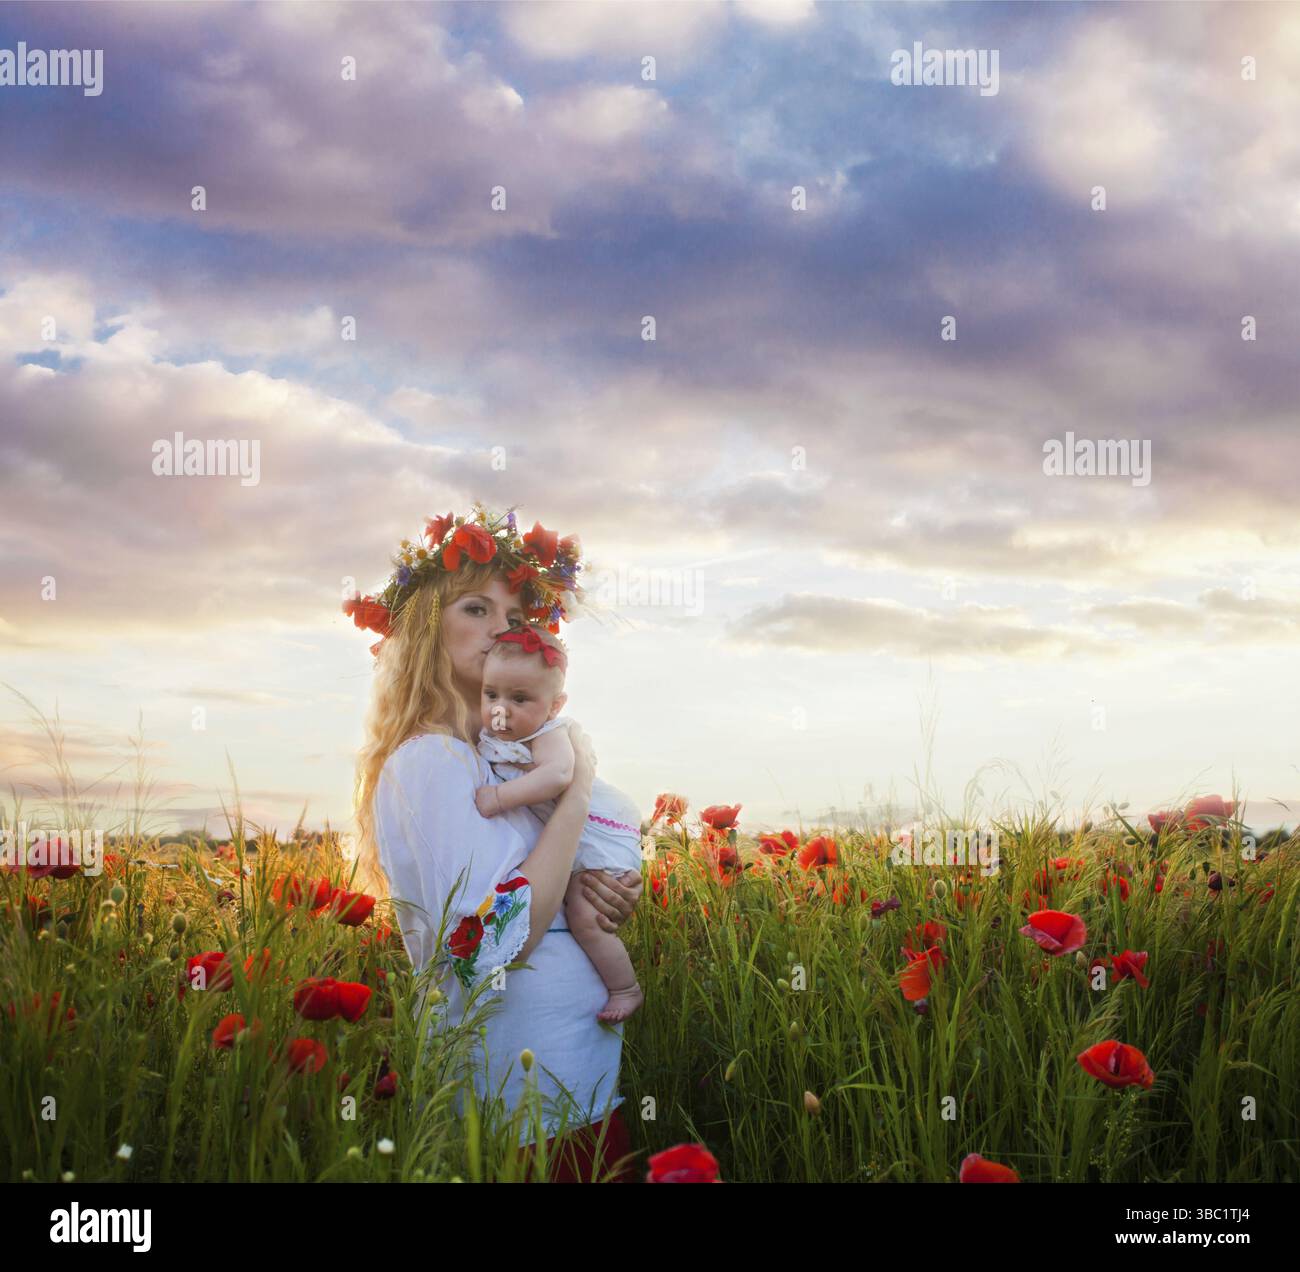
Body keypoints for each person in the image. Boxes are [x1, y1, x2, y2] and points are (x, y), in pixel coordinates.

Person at [346, 504, 645, 1182]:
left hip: (571, 1081)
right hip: (522, 1102)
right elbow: (493, 937)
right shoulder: (430, 762)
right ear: (427, 627)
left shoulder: (490, 762)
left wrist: (598, 890)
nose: (499, 630)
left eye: (513, 619)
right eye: (476, 609)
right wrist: (575, 786)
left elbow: (544, 880)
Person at [473, 623, 645, 1022]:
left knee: (588, 916)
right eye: (491, 694)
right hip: (576, 829)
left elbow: (558, 776)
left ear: (554, 705)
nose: (501, 709)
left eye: (519, 698)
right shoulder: (502, 733)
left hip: (598, 830)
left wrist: (499, 797)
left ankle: (626, 987)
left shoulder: (551, 733)